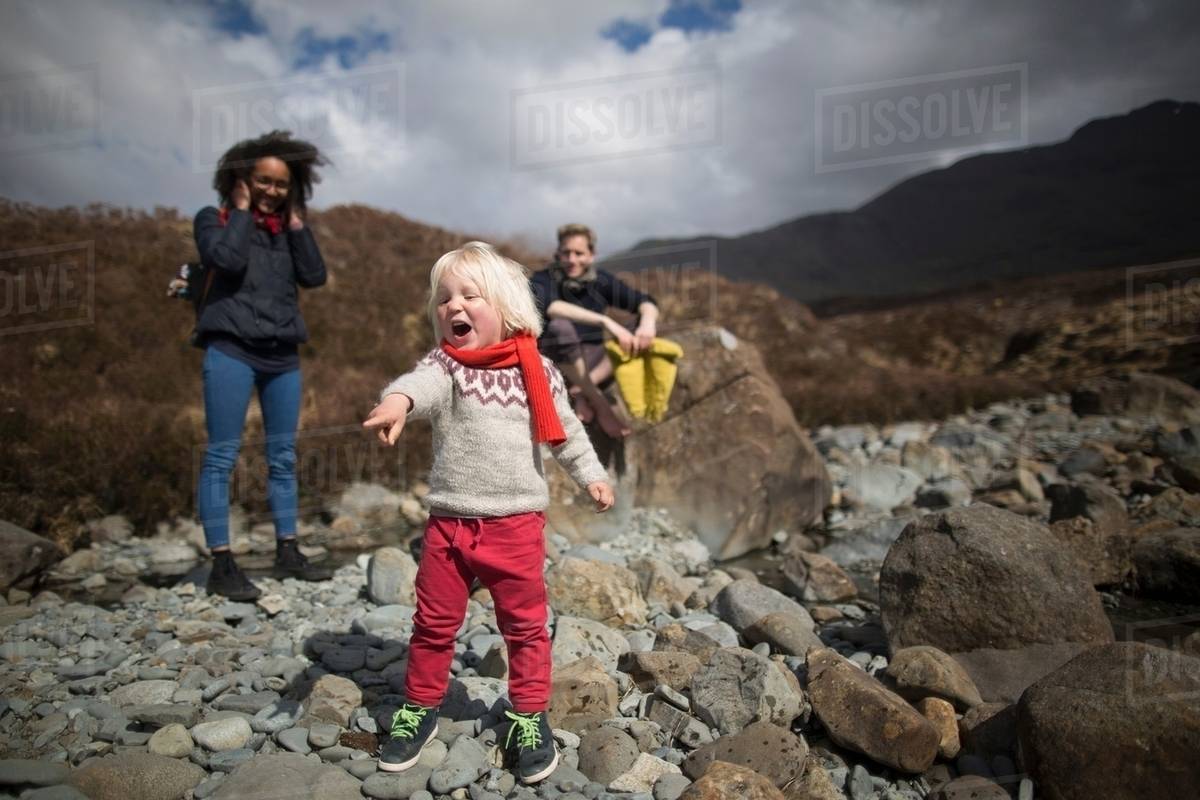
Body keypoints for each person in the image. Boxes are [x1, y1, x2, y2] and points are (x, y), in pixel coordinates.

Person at [363, 242, 614, 785]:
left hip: (517, 524)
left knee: (524, 628)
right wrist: (397, 403)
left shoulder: (537, 371)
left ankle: (528, 715)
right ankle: (422, 705)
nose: (453, 307)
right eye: (443, 299)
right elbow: (419, 384)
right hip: (450, 524)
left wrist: (592, 475)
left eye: (469, 296)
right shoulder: (446, 365)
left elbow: (567, 431)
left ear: (506, 309)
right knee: (432, 624)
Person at [193, 130, 332, 601]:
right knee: (221, 455)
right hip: (231, 349)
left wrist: (295, 224)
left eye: (281, 184)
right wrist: (242, 209)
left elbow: (314, 276)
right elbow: (225, 260)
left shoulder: (285, 231)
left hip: (282, 355)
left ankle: (287, 550)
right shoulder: (215, 219)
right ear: (242, 179)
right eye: (263, 181)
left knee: (283, 456)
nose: (272, 190)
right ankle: (222, 563)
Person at [530, 223, 660, 439]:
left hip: (595, 359)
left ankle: (581, 390)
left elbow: (645, 302)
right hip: (558, 360)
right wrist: (605, 321)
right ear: (558, 254)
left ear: (591, 255)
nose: (572, 259)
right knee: (559, 327)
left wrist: (647, 322)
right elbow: (550, 306)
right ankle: (599, 403)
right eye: (566, 253)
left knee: (641, 328)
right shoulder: (542, 279)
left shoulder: (601, 280)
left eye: (579, 253)